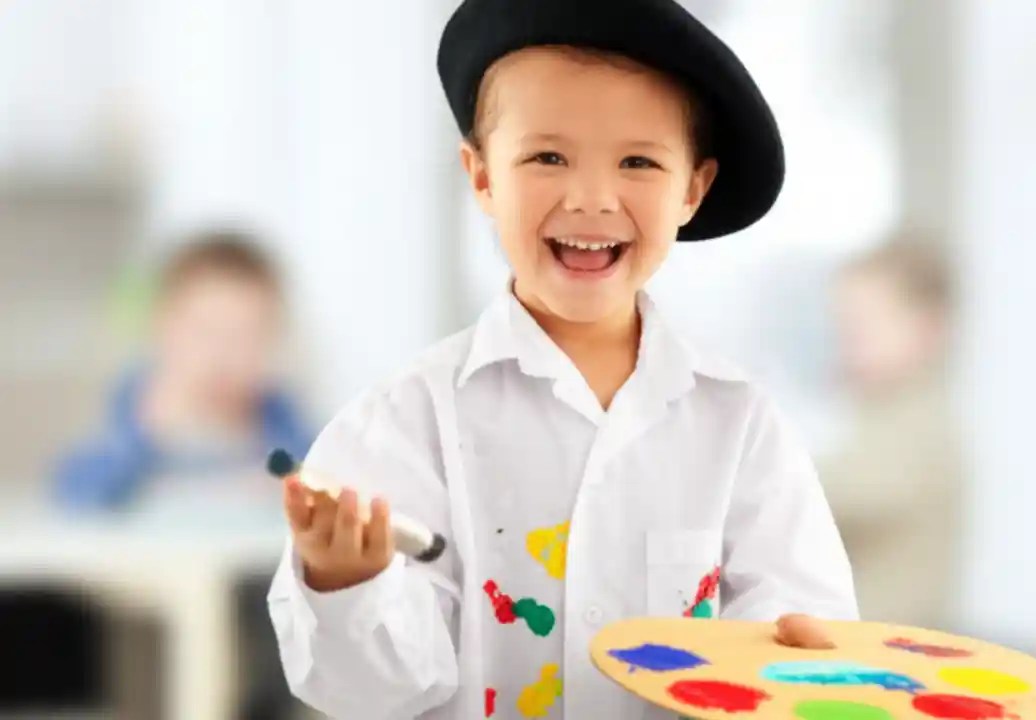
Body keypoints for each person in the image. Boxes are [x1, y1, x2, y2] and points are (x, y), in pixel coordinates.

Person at [267, 2, 857, 718]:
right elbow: (372, 692)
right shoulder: (403, 422)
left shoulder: (740, 425)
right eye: (547, 157)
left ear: (692, 190)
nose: (590, 198)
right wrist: (342, 583)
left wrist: (799, 656)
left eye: (638, 161)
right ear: (482, 176)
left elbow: (806, 626)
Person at [52, 231, 312, 720]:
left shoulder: (275, 426)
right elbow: (75, 493)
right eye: (204, 333)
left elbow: (327, 479)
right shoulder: (138, 418)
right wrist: (145, 436)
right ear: (164, 333)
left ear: (271, 343)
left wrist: (291, 481)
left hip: (247, 595)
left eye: (244, 337)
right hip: (148, 600)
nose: (221, 355)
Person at [819, 233, 963, 630]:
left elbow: (845, 492)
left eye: (862, 327)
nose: (847, 345)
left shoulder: (918, 423)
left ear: (926, 329)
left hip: (886, 657)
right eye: (842, 328)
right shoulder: (875, 412)